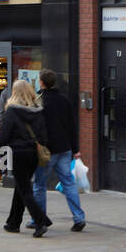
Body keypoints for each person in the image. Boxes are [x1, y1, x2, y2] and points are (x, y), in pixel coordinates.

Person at [0, 79, 53, 237]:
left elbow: (4, 135)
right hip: (33, 153)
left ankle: (41, 221)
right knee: (21, 187)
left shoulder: (11, 111)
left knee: (24, 190)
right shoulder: (37, 110)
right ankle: (13, 223)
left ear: (15, 92)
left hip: (18, 153)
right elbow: (44, 136)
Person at [30, 70, 86, 232]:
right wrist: (75, 149)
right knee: (69, 183)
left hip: (46, 150)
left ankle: (39, 219)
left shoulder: (40, 101)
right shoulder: (64, 100)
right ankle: (79, 217)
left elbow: (37, 127)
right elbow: (71, 126)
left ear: (41, 82)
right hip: (64, 148)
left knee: (39, 185)